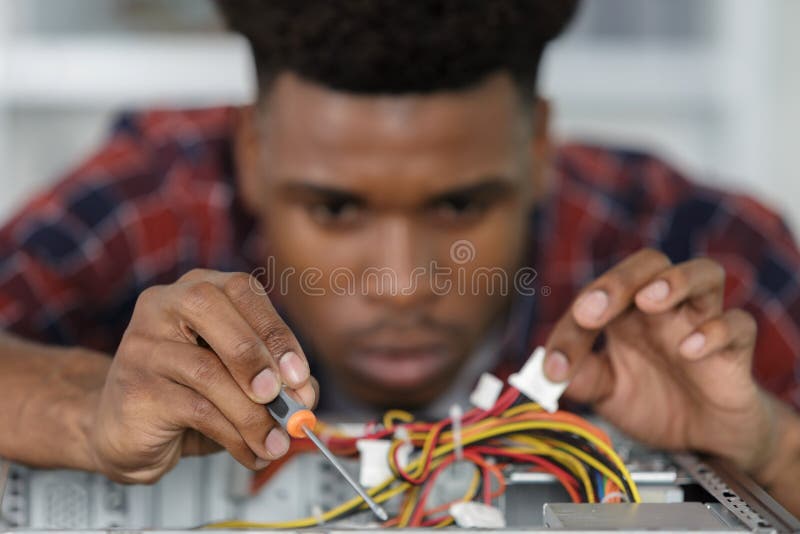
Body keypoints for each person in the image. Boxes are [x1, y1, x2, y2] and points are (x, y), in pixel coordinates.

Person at [0, 0, 798, 516]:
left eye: (459, 205)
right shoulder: (151, 199)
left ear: (541, 143)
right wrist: (84, 405)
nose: (401, 283)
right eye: (336, 208)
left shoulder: (697, 241)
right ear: (249, 148)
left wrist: (769, 446)